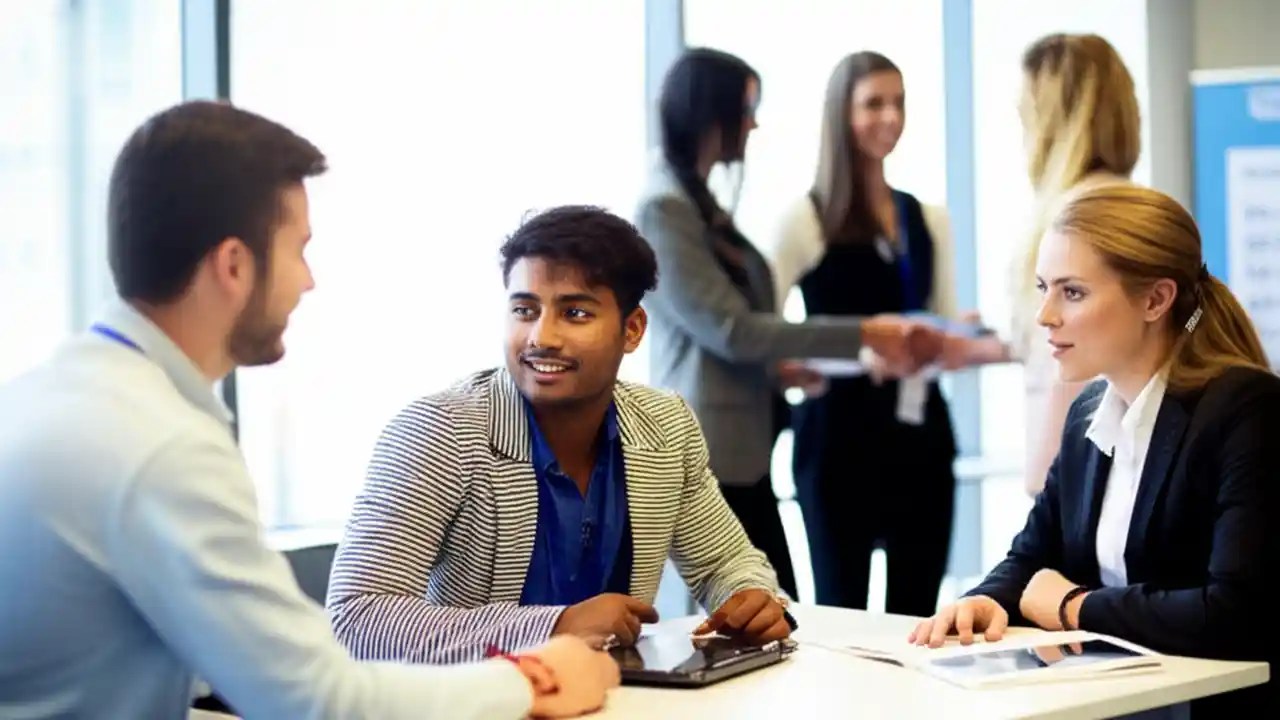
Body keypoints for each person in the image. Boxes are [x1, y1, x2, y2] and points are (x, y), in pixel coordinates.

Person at [0, 101, 617, 720]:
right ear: (235, 265)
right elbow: (317, 700)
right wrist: (535, 678)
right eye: (298, 249)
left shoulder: (51, 399)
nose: (307, 280)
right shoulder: (159, 447)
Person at [327, 205, 792, 663]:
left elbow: (725, 562)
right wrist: (555, 626)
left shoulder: (665, 426)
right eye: (525, 310)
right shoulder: (441, 431)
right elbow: (357, 618)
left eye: (574, 313)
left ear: (632, 330)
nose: (541, 337)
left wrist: (750, 596)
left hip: (616, 702)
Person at [909, 183, 1279, 716]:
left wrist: (1072, 606)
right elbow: (1033, 556)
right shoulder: (1089, 413)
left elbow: (1233, 613)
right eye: (1042, 288)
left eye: (1072, 292)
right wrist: (984, 600)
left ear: (1156, 299)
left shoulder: (1247, 409)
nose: (1045, 316)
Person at [635, 47, 944, 600]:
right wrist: (863, 334)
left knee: (777, 615)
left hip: (748, 447)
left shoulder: (700, 203)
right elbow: (731, 329)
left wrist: (782, 372)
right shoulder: (666, 209)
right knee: (764, 617)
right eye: (747, 107)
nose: (753, 122)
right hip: (716, 446)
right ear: (713, 113)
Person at [766, 51, 1009, 616]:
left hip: (918, 437)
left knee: (920, 614)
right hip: (836, 442)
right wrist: (845, 357)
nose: (891, 117)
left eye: (898, 102)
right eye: (873, 103)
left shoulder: (928, 219)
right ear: (840, 115)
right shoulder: (805, 220)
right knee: (840, 612)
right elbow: (768, 335)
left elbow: (945, 321)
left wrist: (957, 338)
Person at [1011, 32, 1141, 496]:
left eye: (1026, 113)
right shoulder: (1134, 205)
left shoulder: (1081, 218)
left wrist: (1041, 477)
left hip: (1080, 481)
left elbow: (1077, 357)